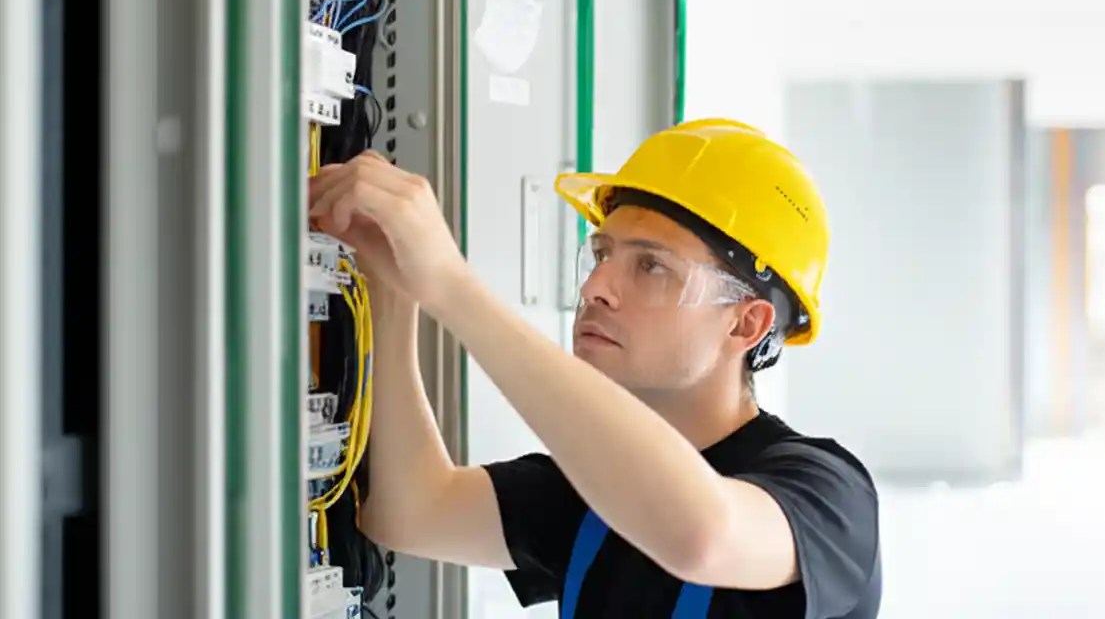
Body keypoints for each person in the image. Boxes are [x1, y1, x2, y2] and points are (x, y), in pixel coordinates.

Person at [308, 118, 882, 618]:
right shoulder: (597, 486)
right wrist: (393, 288)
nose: (595, 287)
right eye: (603, 254)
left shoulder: (826, 493)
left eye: (651, 267)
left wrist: (452, 289)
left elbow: (701, 535)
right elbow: (413, 511)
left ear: (745, 325)